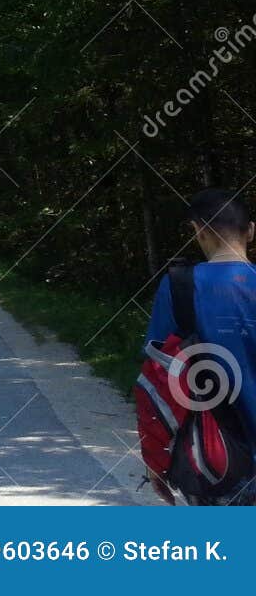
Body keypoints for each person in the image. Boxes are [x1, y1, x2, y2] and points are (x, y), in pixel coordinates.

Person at [143, 189, 256, 504]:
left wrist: (156, 458)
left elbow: (159, 376)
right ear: (251, 231)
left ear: (198, 230)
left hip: (212, 459)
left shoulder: (179, 286)